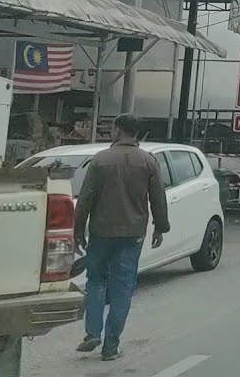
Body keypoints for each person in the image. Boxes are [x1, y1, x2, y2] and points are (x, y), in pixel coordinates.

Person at [73, 114, 170, 361]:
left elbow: (85, 198)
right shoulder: (148, 161)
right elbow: (158, 198)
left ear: (117, 130)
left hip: (101, 232)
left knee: (96, 281)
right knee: (122, 288)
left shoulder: (100, 159)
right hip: (132, 234)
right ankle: (111, 346)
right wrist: (160, 227)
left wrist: (78, 231)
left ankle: (92, 332)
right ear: (136, 133)